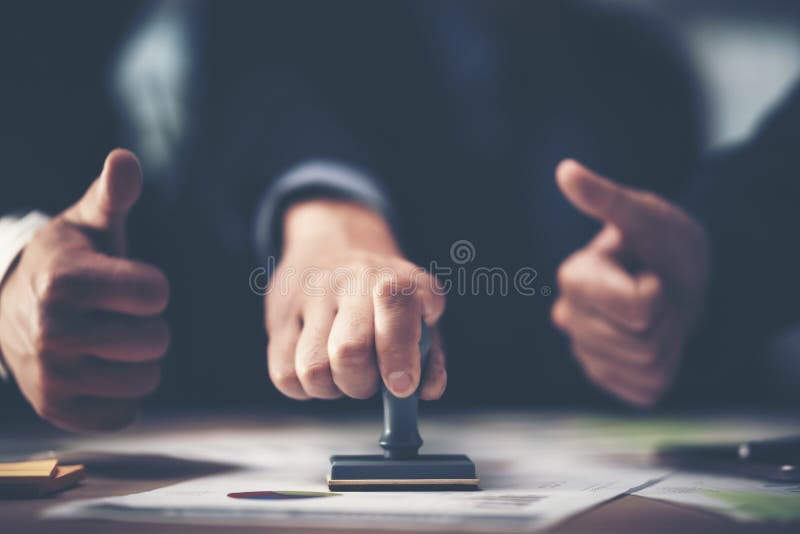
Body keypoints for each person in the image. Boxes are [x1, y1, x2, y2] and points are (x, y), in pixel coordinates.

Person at [0, 0, 703, 431]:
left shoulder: (644, 74)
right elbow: (274, 104)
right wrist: (326, 217)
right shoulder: (303, 31)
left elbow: (690, 291)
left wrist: (670, 317)